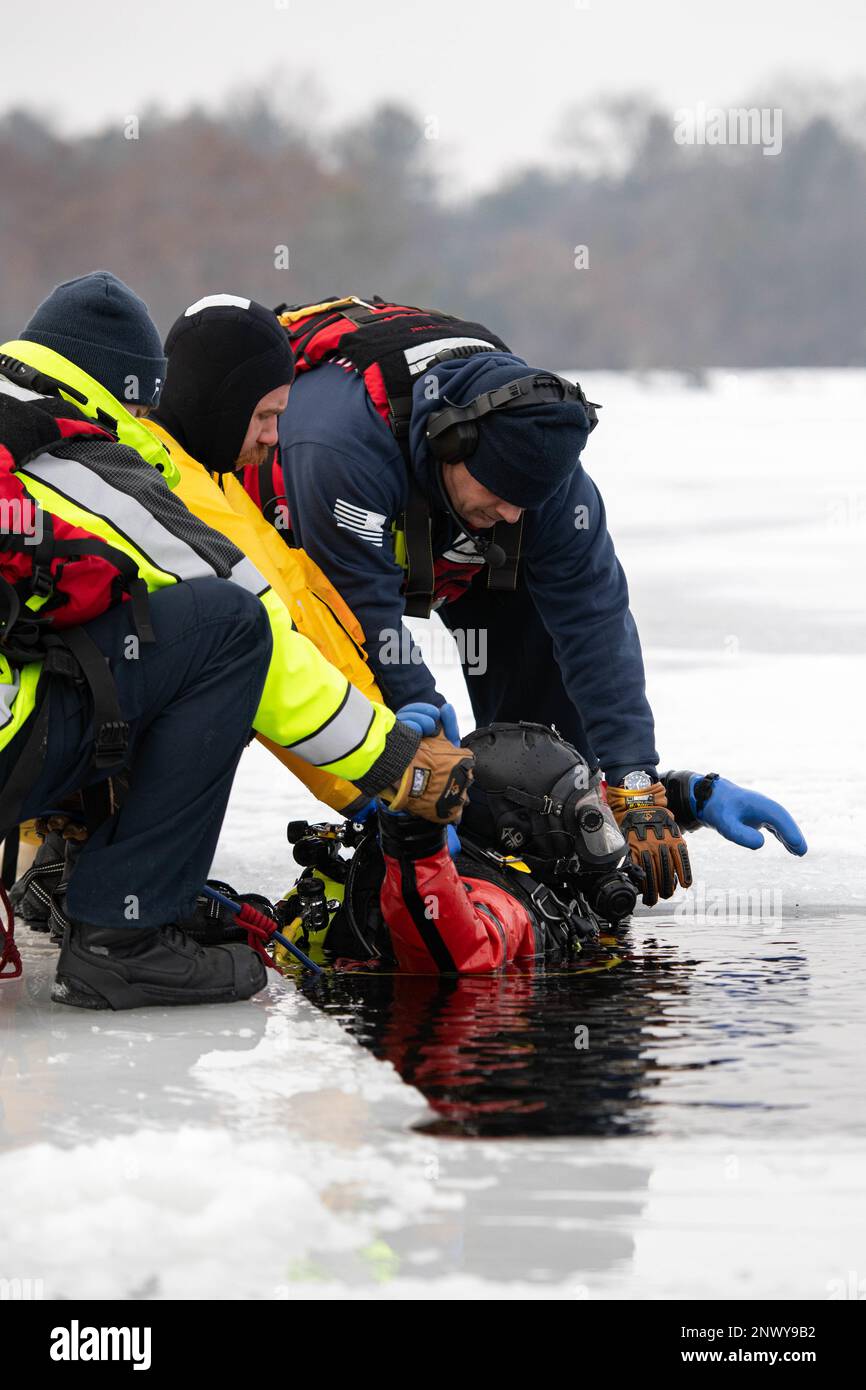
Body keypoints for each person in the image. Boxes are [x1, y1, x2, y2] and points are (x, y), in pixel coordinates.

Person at [0, 277, 475, 1008]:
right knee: (218, 628)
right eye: (136, 407)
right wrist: (393, 766)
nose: (138, 424)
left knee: (100, 626)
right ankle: (124, 939)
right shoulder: (76, 458)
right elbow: (258, 624)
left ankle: (75, 869)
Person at [241, 296, 687, 905]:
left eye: (525, 503)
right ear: (453, 444)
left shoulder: (541, 467)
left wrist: (634, 779)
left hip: (444, 543)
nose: (510, 514)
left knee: (539, 653)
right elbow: (370, 626)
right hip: (314, 550)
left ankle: (541, 850)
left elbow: (594, 619)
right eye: (500, 494)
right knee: (390, 732)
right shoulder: (340, 447)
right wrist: (435, 780)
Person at [273, 717, 807, 976]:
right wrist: (415, 838)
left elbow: (592, 801)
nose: (603, 827)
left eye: (594, 813)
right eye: (585, 818)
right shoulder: (503, 906)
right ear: (518, 838)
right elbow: (459, 946)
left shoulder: (542, 853)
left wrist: (688, 795)